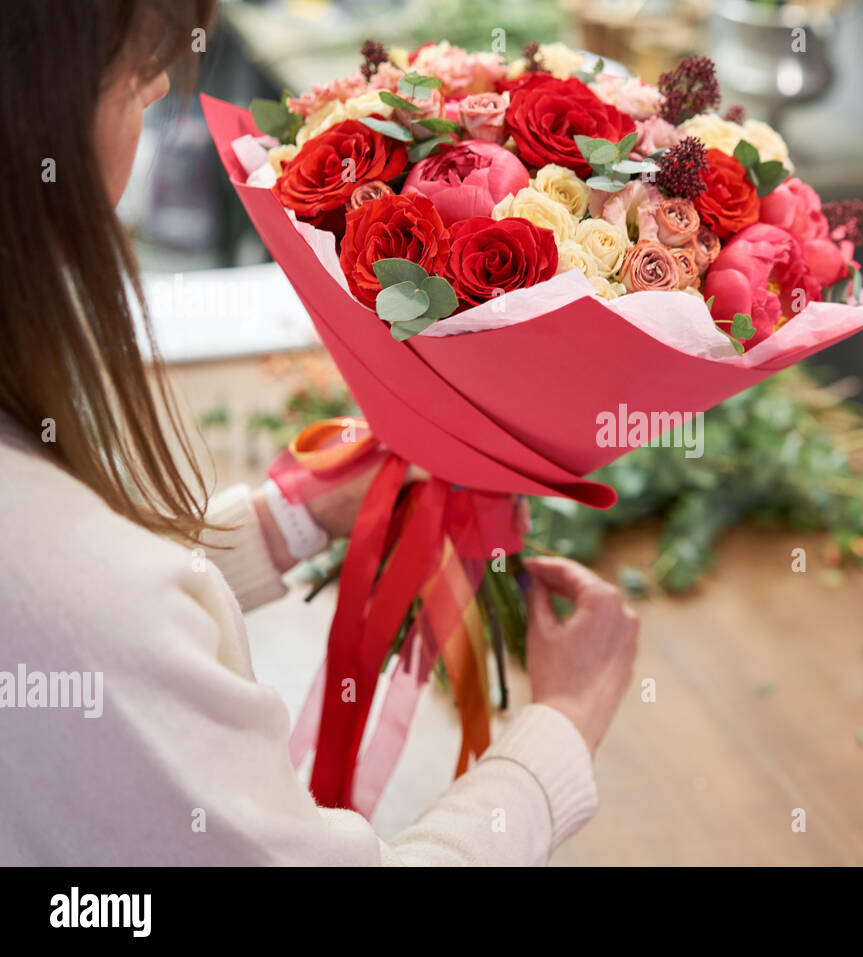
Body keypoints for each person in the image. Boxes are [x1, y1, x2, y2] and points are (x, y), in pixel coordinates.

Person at [0, 0, 638, 865]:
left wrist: (291, 517)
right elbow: (89, 614)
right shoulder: (85, 605)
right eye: (121, 58)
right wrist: (562, 730)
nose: (155, 79)